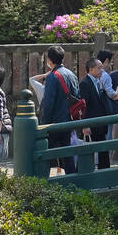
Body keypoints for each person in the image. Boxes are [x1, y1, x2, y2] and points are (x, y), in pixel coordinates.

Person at [36, 45, 80, 173]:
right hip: (70, 119)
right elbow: (77, 96)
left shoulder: (52, 76)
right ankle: (73, 181)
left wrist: (44, 124)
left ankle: (42, 183)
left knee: (44, 154)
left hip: (55, 122)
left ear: (49, 60)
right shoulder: (71, 74)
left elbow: (49, 103)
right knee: (67, 153)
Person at [79, 58, 114, 169]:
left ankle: (105, 173)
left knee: (103, 149)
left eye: (102, 68)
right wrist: (85, 124)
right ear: (91, 69)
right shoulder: (85, 83)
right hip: (92, 122)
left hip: (100, 121)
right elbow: (84, 106)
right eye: (99, 68)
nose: (101, 70)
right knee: (94, 149)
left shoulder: (97, 81)